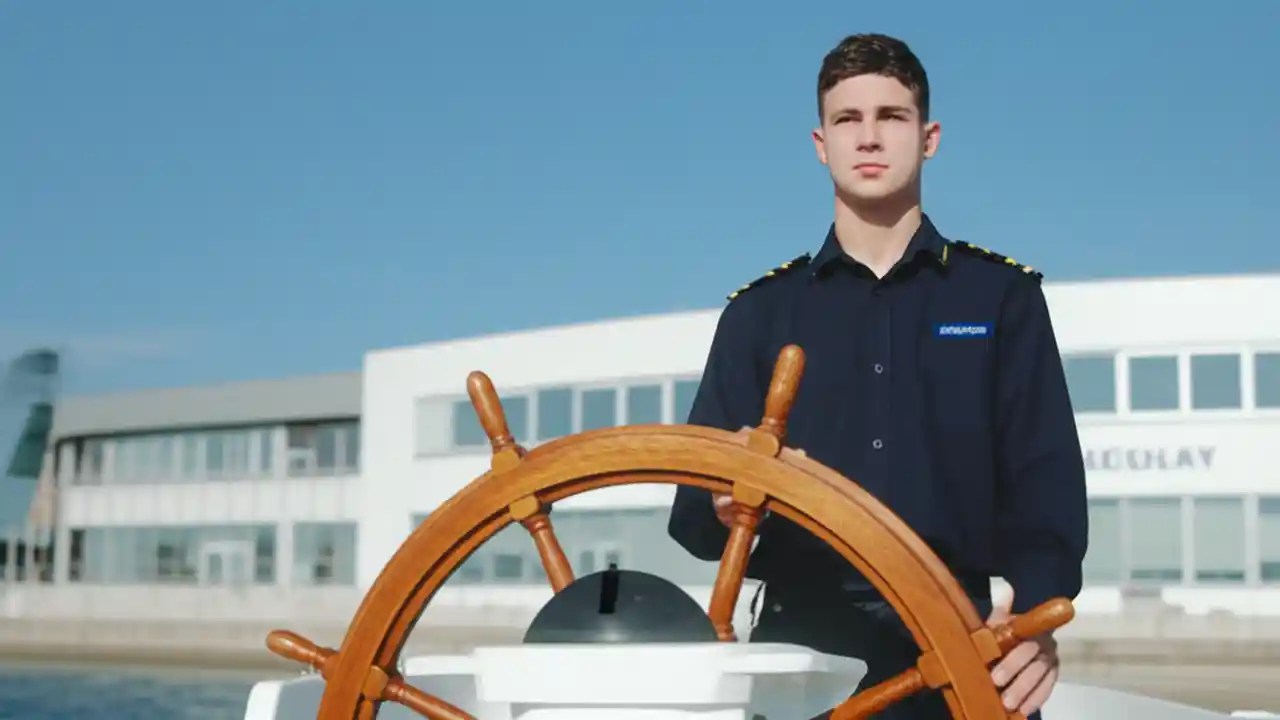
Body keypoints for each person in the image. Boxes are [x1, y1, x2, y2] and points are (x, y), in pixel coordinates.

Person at [666, 33, 1088, 719]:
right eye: (847, 120)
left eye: (892, 117)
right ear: (819, 143)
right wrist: (724, 502)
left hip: (965, 644)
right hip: (800, 655)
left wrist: (1034, 630)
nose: (869, 138)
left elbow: (1049, 497)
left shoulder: (1001, 299)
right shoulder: (758, 315)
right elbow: (691, 516)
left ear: (929, 137)